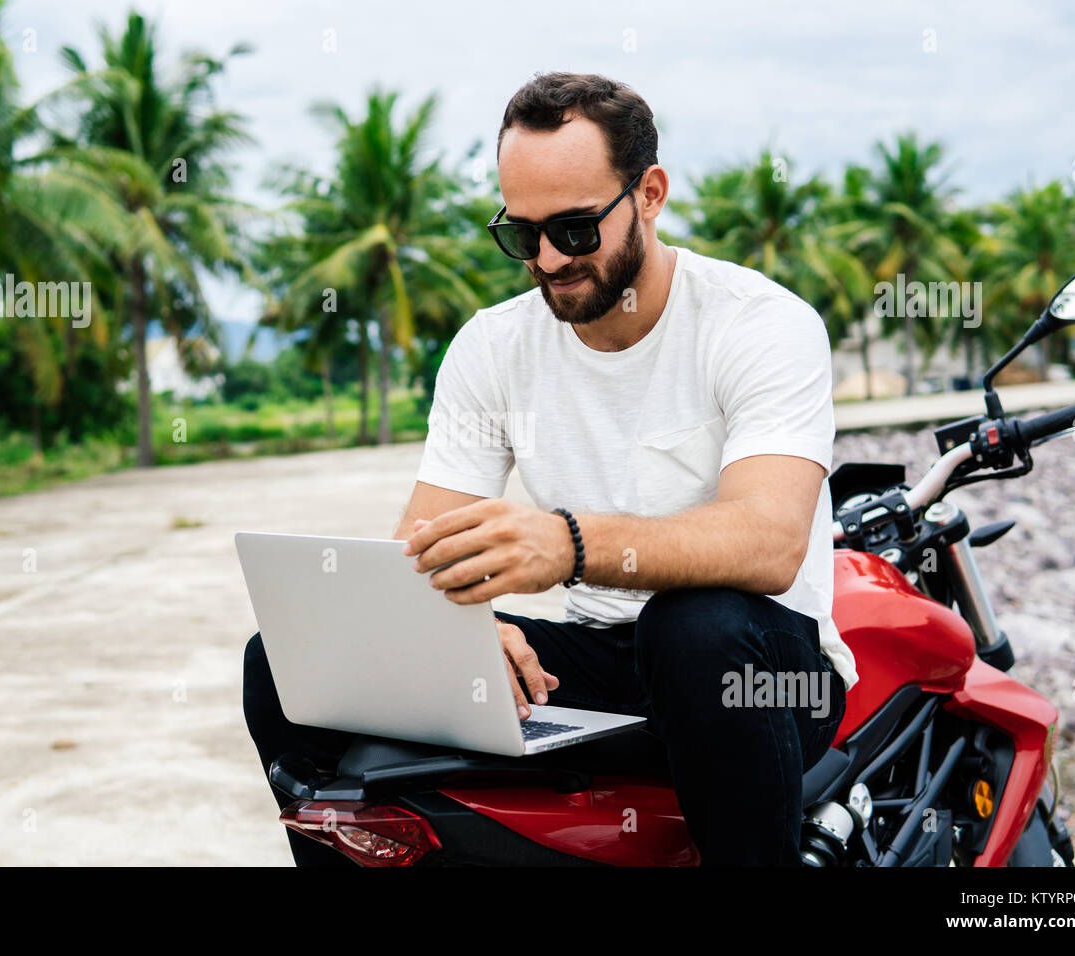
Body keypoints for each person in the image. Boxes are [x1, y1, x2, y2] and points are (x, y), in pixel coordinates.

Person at [244, 71, 857, 867]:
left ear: (650, 194)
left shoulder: (760, 325)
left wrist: (565, 545)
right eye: (519, 235)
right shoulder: (494, 346)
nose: (545, 260)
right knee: (284, 664)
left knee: (693, 627)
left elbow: (769, 542)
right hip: (599, 658)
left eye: (572, 230)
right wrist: (464, 636)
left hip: (769, 675)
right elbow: (421, 548)